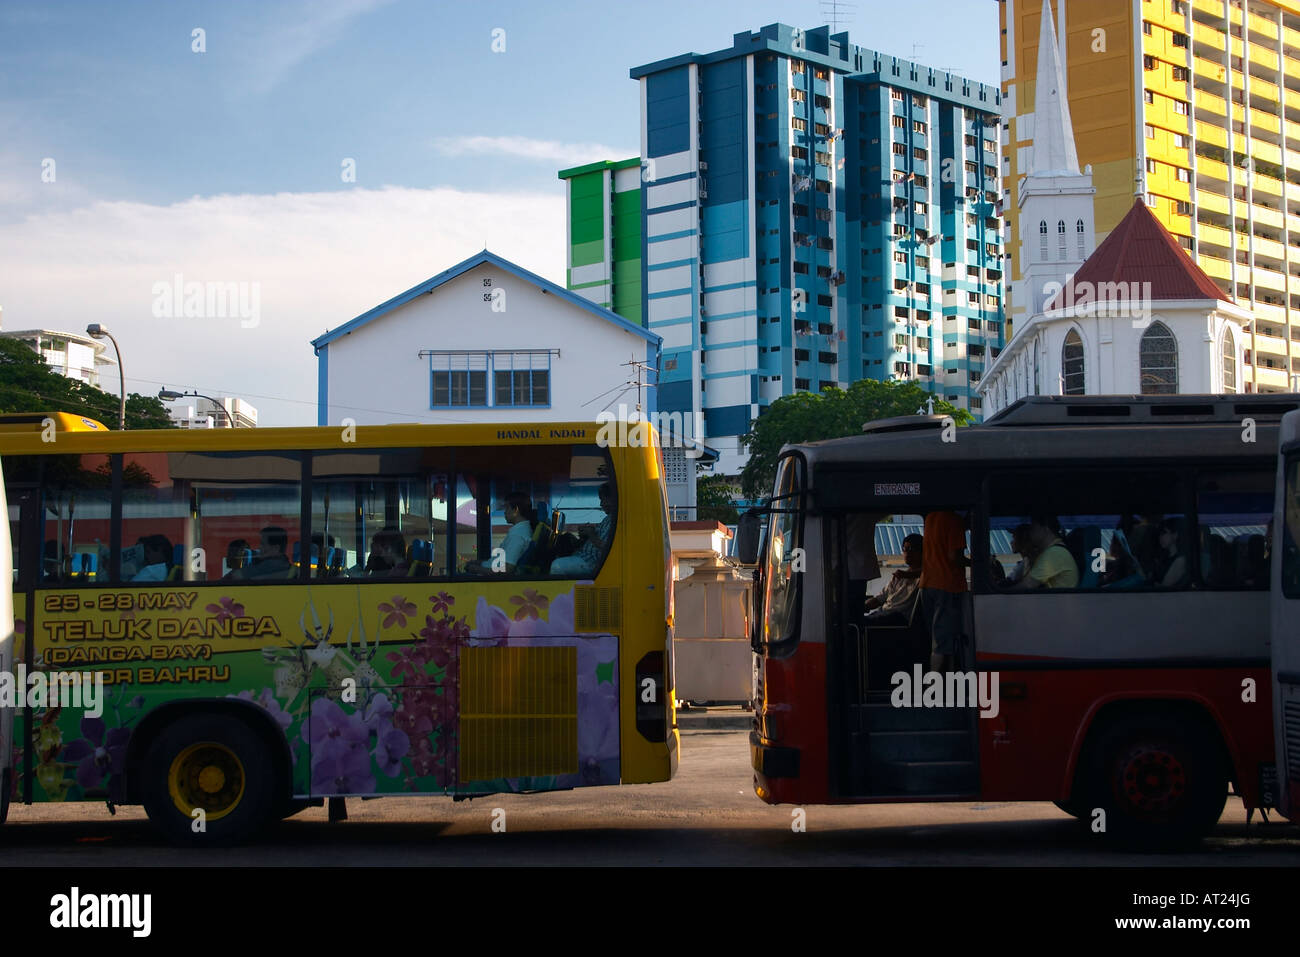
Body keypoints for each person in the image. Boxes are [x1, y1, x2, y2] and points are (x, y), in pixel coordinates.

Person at [919, 510, 968, 672]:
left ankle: (946, 682)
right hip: (947, 586)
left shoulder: (930, 517)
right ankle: (933, 688)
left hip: (927, 584)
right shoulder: (954, 520)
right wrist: (977, 562)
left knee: (937, 638)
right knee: (942, 642)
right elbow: (955, 557)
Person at [550, 483, 615, 577]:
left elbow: (608, 549)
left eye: (603, 500)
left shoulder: (617, 520)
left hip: (592, 562)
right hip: (581, 556)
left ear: (612, 500)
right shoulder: (607, 519)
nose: (601, 504)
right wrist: (585, 535)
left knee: (557, 566)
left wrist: (591, 534)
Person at [467, 493, 534, 575]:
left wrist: (476, 569)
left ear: (516, 510)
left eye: (507, 508)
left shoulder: (517, 535)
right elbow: (499, 561)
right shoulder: (521, 530)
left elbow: (507, 569)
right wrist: (480, 563)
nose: (504, 512)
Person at [1005, 515, 1078, 590]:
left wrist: (1003, 592)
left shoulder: (1054, 553)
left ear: (1045, 529)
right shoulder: (1053, 551)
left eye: (1033, 528)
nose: (1030, 532)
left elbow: (1028, 585)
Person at [865, 534, 922, 625]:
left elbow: (927, 573)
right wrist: (863, 606)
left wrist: (908, 575)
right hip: (884, 614)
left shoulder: (925, 577)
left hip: (898, 619)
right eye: (904, 549)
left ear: (922, 552)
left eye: (911, 549)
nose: (907, 553)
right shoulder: (898, 577)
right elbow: (879, 599)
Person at [1154, 517, 1189, 587]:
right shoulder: (1163, 557)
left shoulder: (1180, 560)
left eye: (1164, 533)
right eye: (1159, 534)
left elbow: (1164, 588)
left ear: (1175, 535)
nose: (1160, 537)